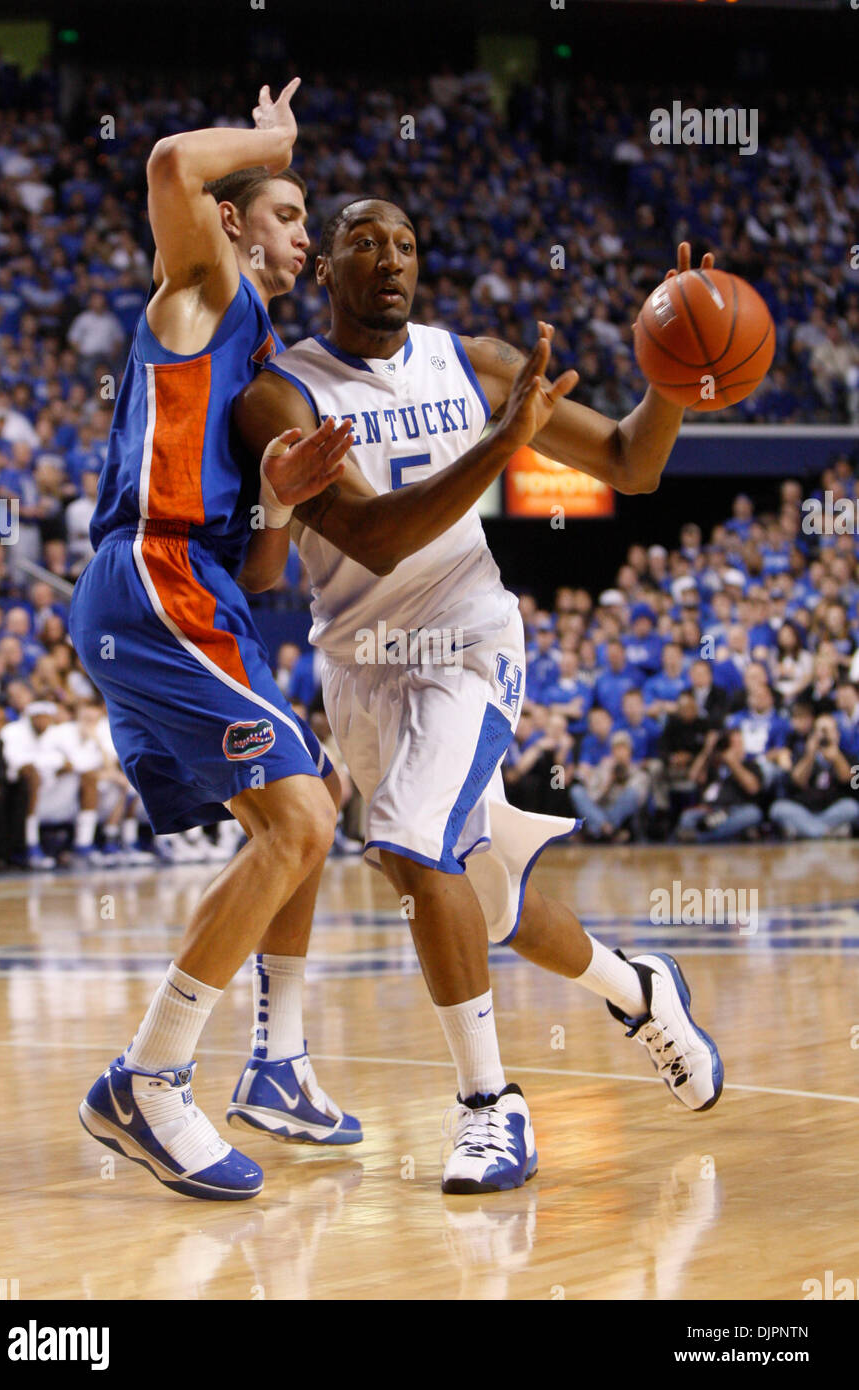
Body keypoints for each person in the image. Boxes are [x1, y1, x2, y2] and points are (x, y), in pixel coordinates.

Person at [68, 93, 563, 1200]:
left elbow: (262, 584)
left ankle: (277, 1055)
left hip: (193, 589)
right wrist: (271, 142)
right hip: (150, 573)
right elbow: (164, 164)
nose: (303, 233)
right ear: (235, 225)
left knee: (307, 798)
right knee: (303, 819)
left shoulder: (254, 366)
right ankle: (149, 1076)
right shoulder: (203, 290)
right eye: (290, 213)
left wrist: (281, 509)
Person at [236, 199, 724, 1196]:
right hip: (361, 668)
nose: (389, 261)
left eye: (407, 244)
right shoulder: (277, 395)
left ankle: (489, 1107)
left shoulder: (478, 360)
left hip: (467, 649)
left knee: (414, 843)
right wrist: (503, 445)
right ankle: (640, 988)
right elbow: (370, 539)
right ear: (326, 263)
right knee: (482, 899)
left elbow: (633, 462)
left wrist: (672, 372)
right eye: (365, 243)